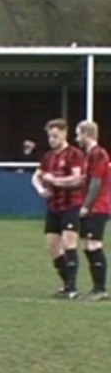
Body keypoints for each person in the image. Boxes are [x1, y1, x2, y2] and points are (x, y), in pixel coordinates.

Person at [32, 118, 86, 298]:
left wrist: (54, 181)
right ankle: (66, 283)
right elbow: (36, 176)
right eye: (50, 136)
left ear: (64, 133)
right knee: (52, 247)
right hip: (53, 206)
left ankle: (72, 287)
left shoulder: (74, 154)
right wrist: (40, 189)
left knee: (69, 244)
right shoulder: (48, 157)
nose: (52, 139)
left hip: (71, 205)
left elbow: (77, 179)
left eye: (55, 135)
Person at [76, 120, 109, 300]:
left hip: (98, 207)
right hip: (92, 207)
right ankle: (97, 287)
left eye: (78, 134)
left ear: (86, 134)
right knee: (88, 247)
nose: (77, 138)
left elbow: (96, 183)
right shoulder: (89, 155)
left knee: (94, 245)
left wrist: (86, 206)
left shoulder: (98, 154)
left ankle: (101, 289)